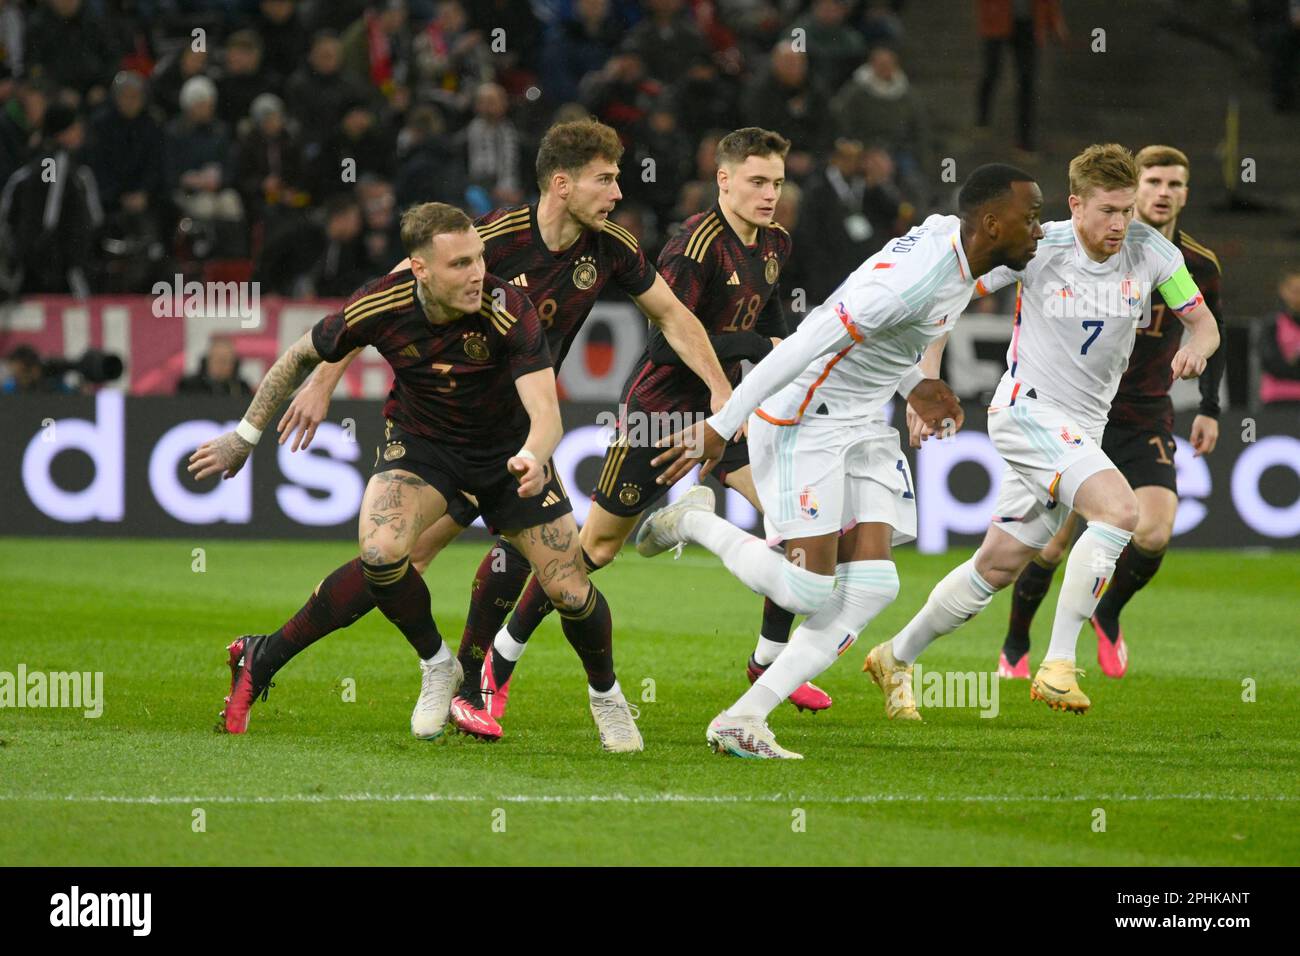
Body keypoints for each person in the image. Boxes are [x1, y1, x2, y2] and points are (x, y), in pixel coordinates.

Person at [232, 119, 731, 744]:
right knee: (402, 561)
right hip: (441, 429)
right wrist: (324, 379)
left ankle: (471, 686)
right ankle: (296, 658)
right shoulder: (490, 238)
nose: (617, 193)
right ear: (562, 184)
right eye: (605, 179)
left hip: (516, 432)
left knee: (535, 563)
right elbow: (388, 296)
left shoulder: (611, 246)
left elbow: (674, 317)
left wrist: (720, 390)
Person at [189, 201, 643, 752]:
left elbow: (547, 415)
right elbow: (298, 356)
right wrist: (243, 437)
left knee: (569, 589)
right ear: (420, 269)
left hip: (507, 455)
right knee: (382, 554)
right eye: (460, 264)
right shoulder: (383, 301)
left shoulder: (507, 306)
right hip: (426, 449)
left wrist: (532, 454)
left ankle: (607, 696)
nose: (478, 273)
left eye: (479, 258)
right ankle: (439, 665)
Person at [639, 163, 1043, 758]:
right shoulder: (911, 281)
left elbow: (896, 332)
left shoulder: (955, 244)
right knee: (806, 590)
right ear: (991, 223)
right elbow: (805, 343)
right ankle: (693, 520)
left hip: (862, 420)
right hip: (806, 418)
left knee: (874, 585)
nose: (1038, 229)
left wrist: (915, 385)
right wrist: (722, 426)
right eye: (1030, 218)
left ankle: (743, 718)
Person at [871, 144, 1219, 719]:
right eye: (1107, 211)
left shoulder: (1153, 251)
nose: (1120, 224)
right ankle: (1058, 665)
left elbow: (1203, 324)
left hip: (1084, 426)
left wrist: (1197, 348)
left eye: (1126, 210)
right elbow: (947, 299)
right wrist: (925, 382)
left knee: (998, 566)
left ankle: (894, 655)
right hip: (1026, 410)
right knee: (1120, 512)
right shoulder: (1038, 246)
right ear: (1076, 205)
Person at [495, 128, 829, 723]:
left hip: (729, 414)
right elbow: (664, 344)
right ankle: (502, 657)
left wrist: (782, 351)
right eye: (757, 182)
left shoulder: (775, 241)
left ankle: (769, 662)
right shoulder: (694, 246)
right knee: (593, 550)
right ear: (723, 180)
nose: (770, 195)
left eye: (777, 183)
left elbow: (768, 314)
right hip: (662, 413)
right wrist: (758, 350)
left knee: (794, 521)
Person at [998, 144, 1226, 679]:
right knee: (1050, 545)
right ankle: (1016, 642)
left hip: (1144, 412)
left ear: (1186, 194)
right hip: (1071, 411)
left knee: (1153, 532)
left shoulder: (1191, 263)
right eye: (1153, 183)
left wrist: (1210, 404)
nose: (1162, 194)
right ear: (1133, 189)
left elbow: (1211, 328)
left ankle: (1106, 614)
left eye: (1174, 184)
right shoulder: (1073, 246)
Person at [1260, 266, 1300, 404]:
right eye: (1295, 291)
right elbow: (1272, 364)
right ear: (1283, 291)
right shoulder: (1273, 324)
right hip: (1279, 400)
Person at [177, 336, 253, 397]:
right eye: (217, 360)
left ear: (234, 364)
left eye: (225, 361)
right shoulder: (189, 386)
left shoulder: (242, 389)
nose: (221, 365)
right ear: (208, 361)